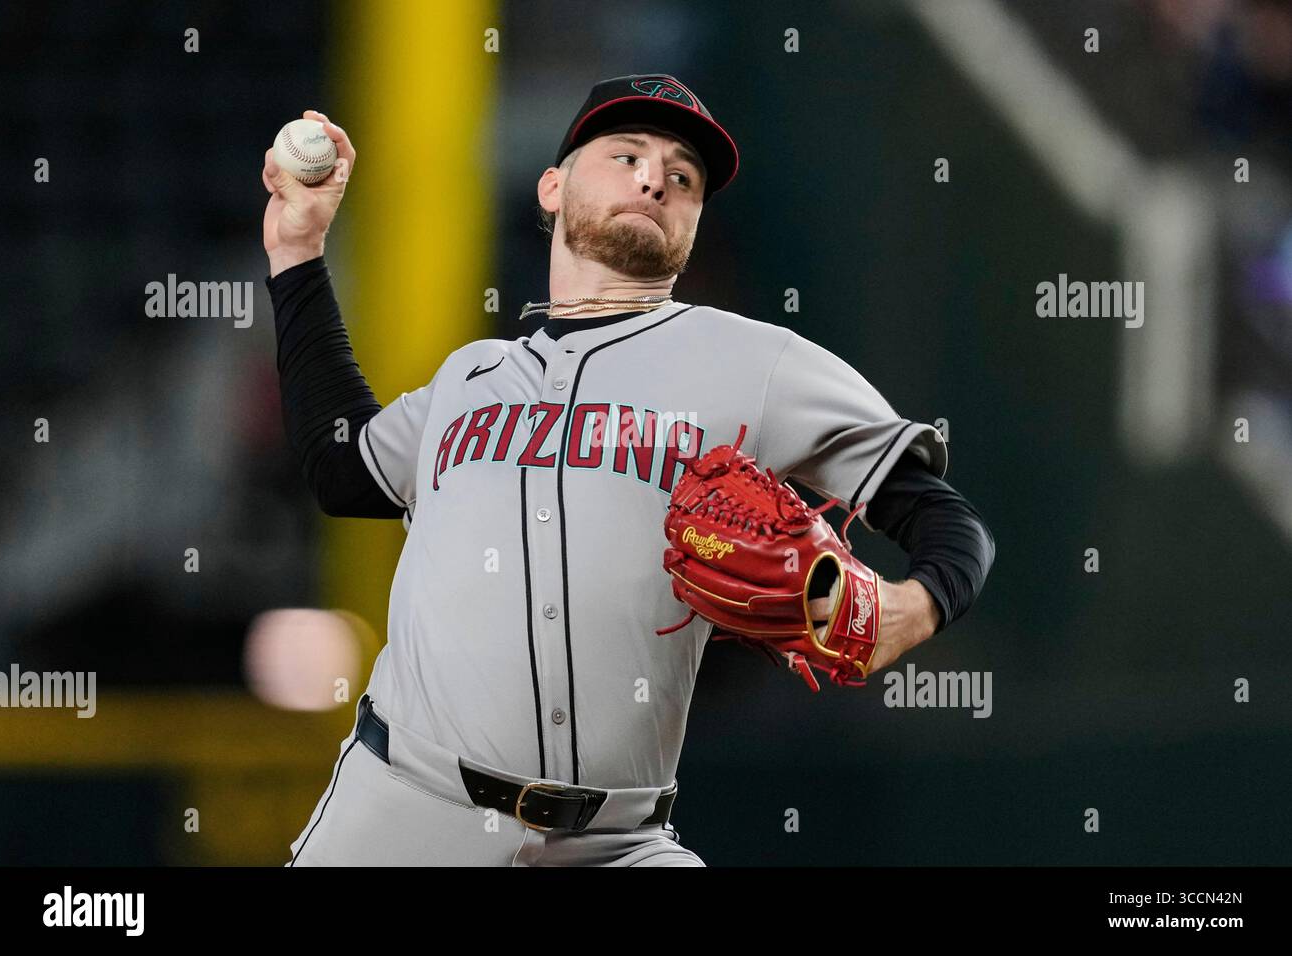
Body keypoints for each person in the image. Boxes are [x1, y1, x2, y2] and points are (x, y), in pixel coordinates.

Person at [262, 74, 995, 866]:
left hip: (617, 841)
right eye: (626, 155)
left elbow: (944, 519)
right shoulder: (470, 377)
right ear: (552, 187)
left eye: (682, 177)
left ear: (694, 219)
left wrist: (908, 609)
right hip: (403, 811)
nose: (655, 178)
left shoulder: (757, 363)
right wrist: (297, 251)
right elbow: (343, 466)